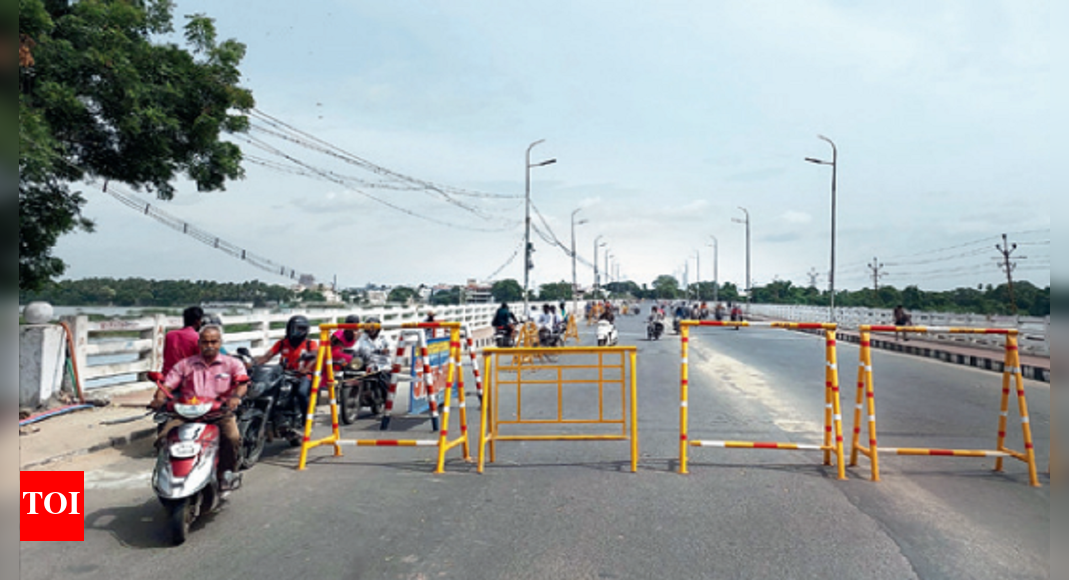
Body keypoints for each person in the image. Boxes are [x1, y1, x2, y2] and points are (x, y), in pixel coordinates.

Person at [152, 325, 248, 491]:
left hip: (219, 413)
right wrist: (159, 398)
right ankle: (166, 473)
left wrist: (235, 397)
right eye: (205, 342)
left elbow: (242, 383)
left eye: (213, 341)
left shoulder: (232, 363)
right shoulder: (185, 364)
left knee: (232, 437)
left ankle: (226, 472)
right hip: (186, 413)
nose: (209, 345)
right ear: (199, 343)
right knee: (163, 438)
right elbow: (168, 384)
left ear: (220, 343)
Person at [256, 316, 319, 418]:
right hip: (283, 374)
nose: (300, 331)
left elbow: (315, 356)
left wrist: (306, 369)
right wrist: (256, 363)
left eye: (303, 329)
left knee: (302, 393)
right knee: (268, 390)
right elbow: (268, 356)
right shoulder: (282, 343)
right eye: (298, 328)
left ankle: (307, 419)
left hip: (302, 375)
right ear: (290, 329)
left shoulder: (310, 343)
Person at [162, 306, 203, 378]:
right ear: (198, 321)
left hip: (167, 375)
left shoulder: (170, 335)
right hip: (186, 378)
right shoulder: (197, 337)